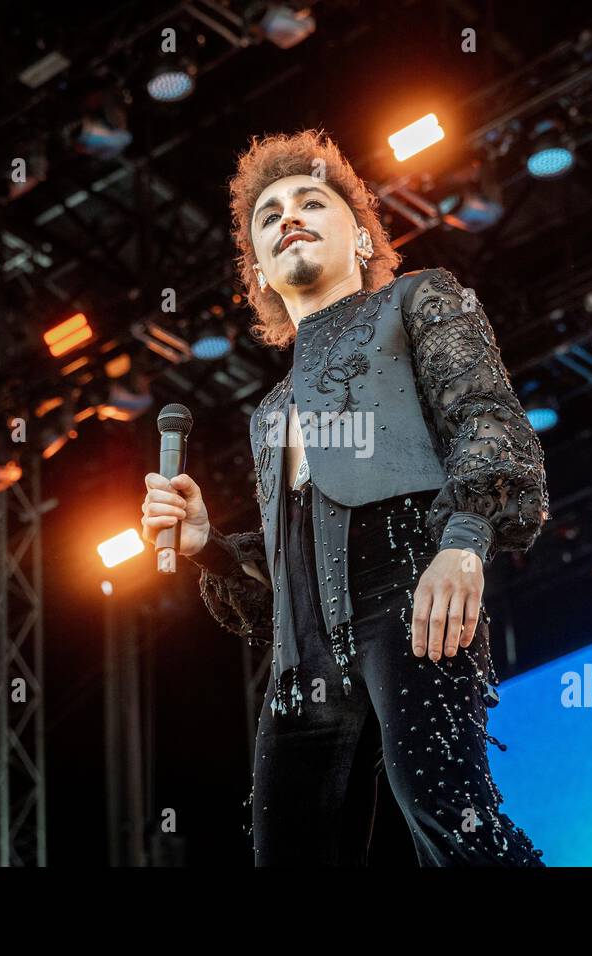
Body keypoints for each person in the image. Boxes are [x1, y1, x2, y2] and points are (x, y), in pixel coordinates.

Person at [141, 130, 550, 866]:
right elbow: (283, 575)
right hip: (300, 661)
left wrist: (464, 541)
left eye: (309, 202)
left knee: (448, 819)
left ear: (362, 237)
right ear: (258, 271)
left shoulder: (419, 298)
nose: (287, 217)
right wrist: (208, 545)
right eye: (268, 216)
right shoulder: (269, 413)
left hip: (409, 596)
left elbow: (486, 420)